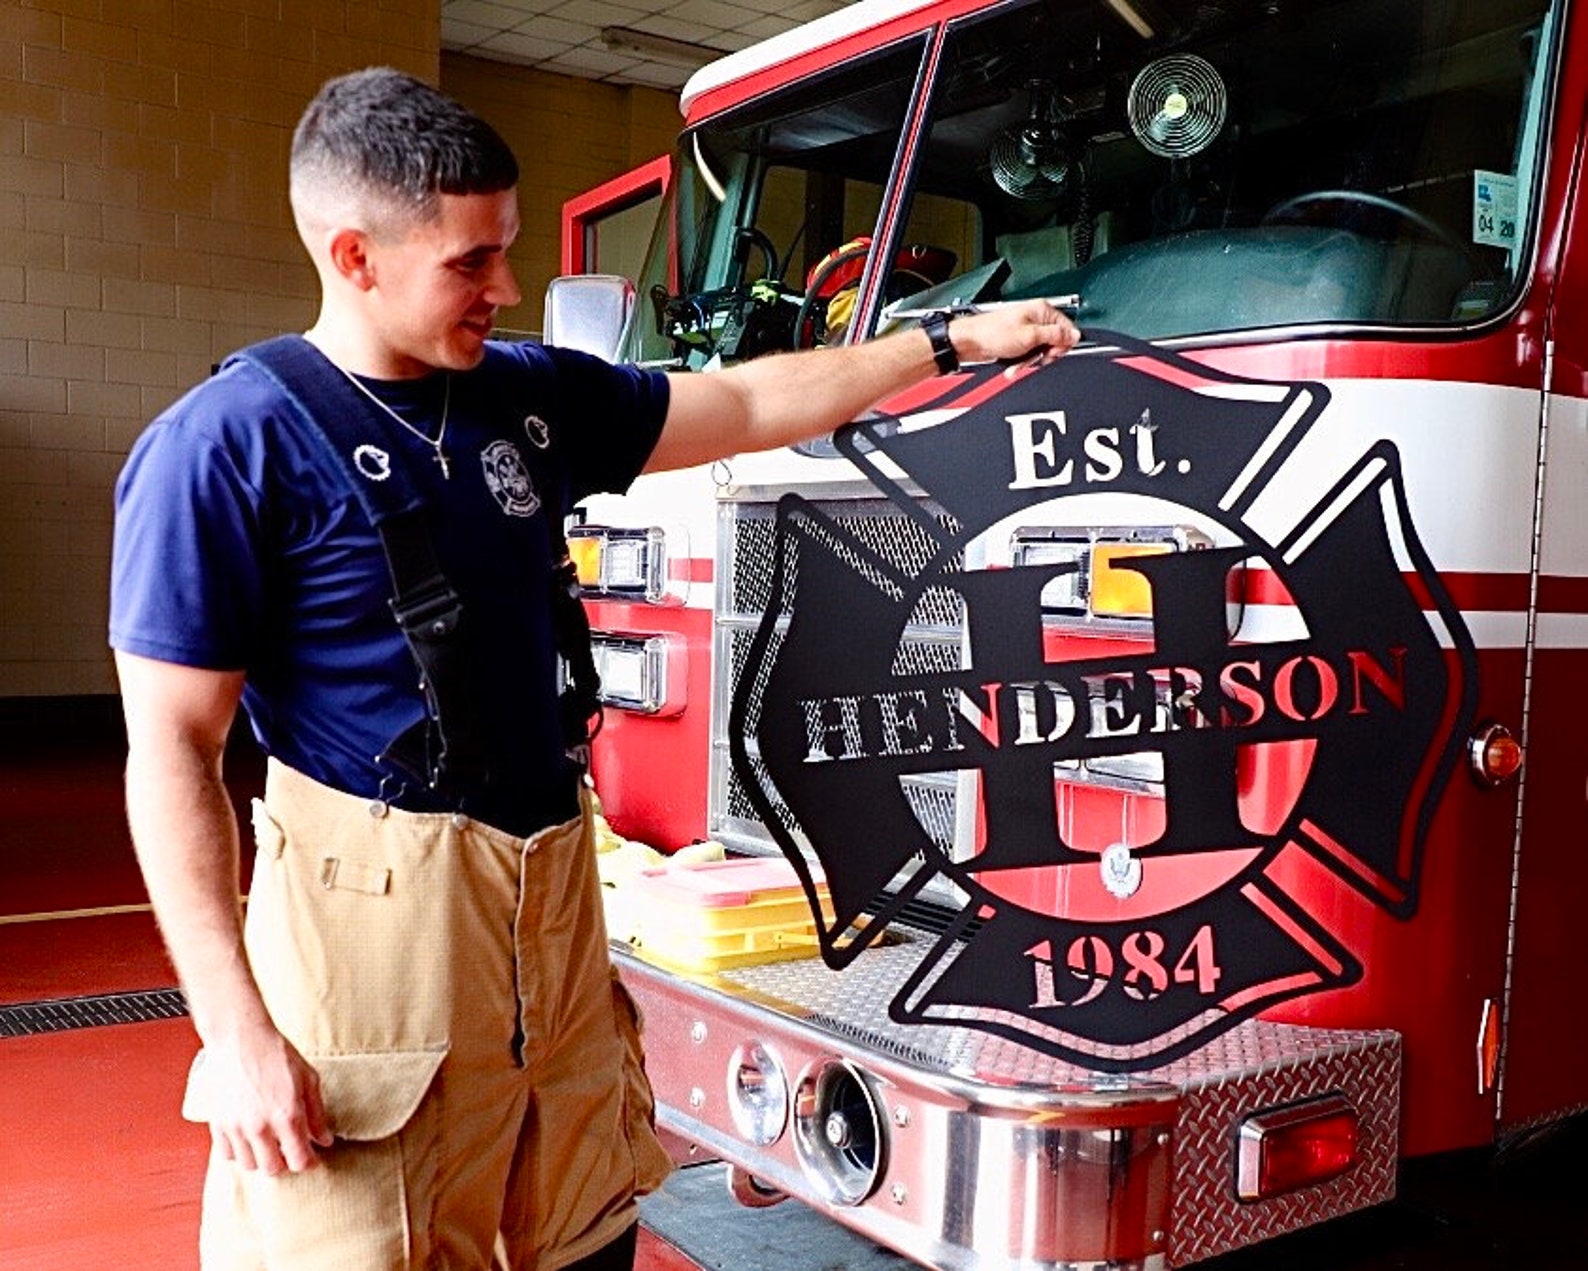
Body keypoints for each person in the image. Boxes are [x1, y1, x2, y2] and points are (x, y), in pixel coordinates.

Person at [109, 66, 1079, 1271]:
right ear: (354, 257)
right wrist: (236, 1032)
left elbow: (740, 402)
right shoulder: (223, 449)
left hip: (556, 896)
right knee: (363, 1237)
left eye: (507, 250)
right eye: (471, 263)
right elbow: (174, 755)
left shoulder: (528, 398)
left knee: (580, 1225)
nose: (507, 289)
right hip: (368, 936)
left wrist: (938, 341)